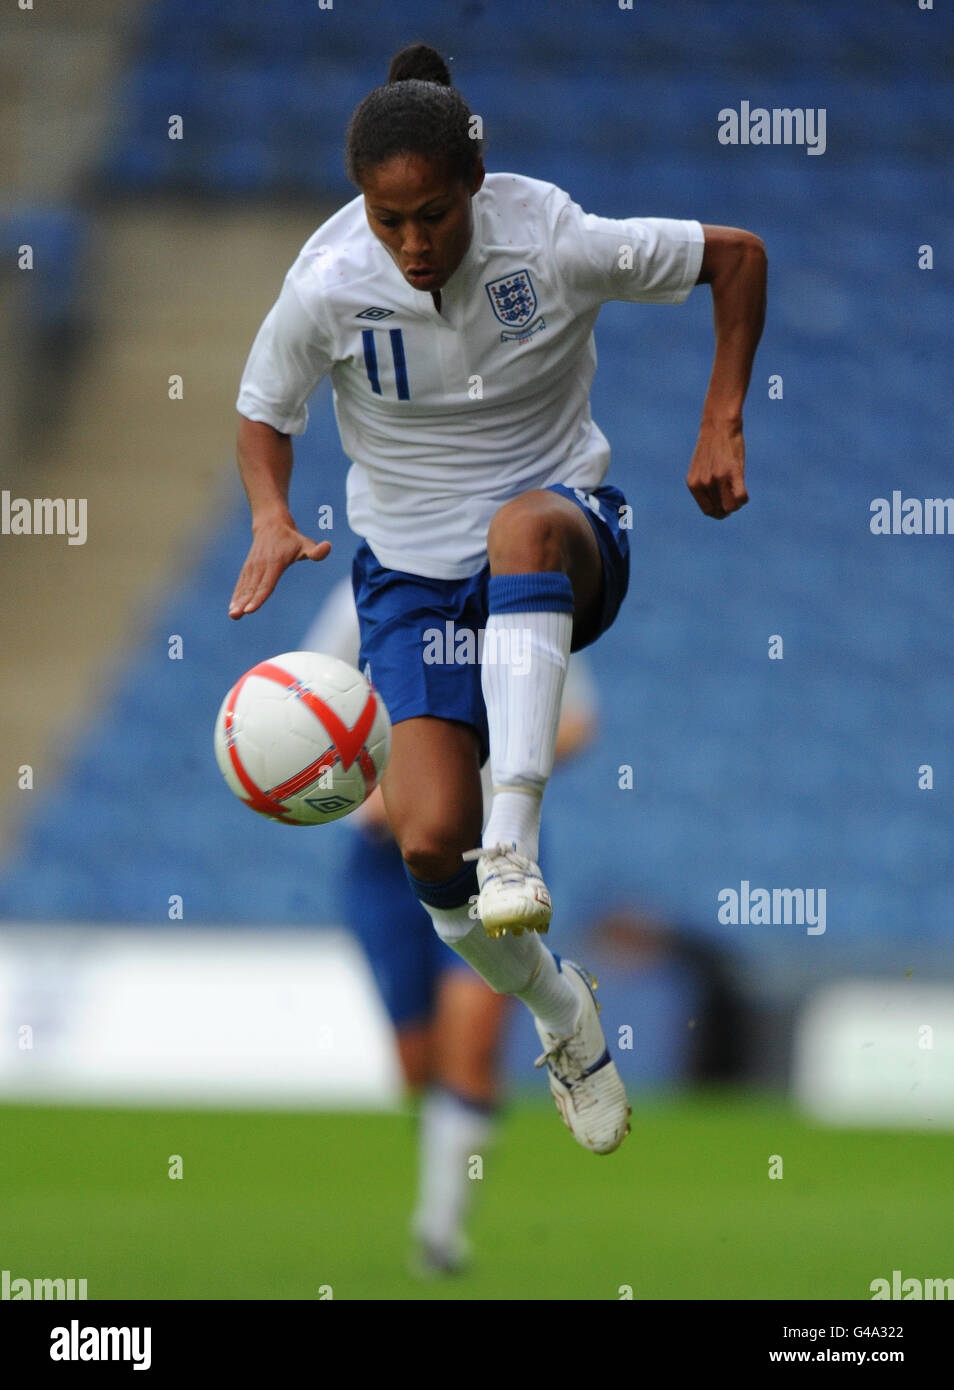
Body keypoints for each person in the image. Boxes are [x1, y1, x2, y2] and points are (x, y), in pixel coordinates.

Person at [229, 43, 766, 1157]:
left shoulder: (554, 238)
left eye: (433, 214)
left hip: (562, 532)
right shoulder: (328, 280)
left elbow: (738, 255)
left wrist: (722, 414)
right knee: (430, 849)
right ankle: (563, 1012)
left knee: (517, 524)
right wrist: (270, 513)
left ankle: (515, 843)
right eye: (391, 221)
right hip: (409, 580)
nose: (414, 242)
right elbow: (262, 406)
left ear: (475, 183)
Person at [302, 577, 598, 1272]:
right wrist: (369, 791)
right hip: (386, 858)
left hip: (495, 852)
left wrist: (493, 766)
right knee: (416, 1063)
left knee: (471, 1042)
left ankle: (440, 1230)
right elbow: (311, 699)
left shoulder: (526, 597)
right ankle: (443, 1183)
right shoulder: (363, 597)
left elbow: (580, 718)